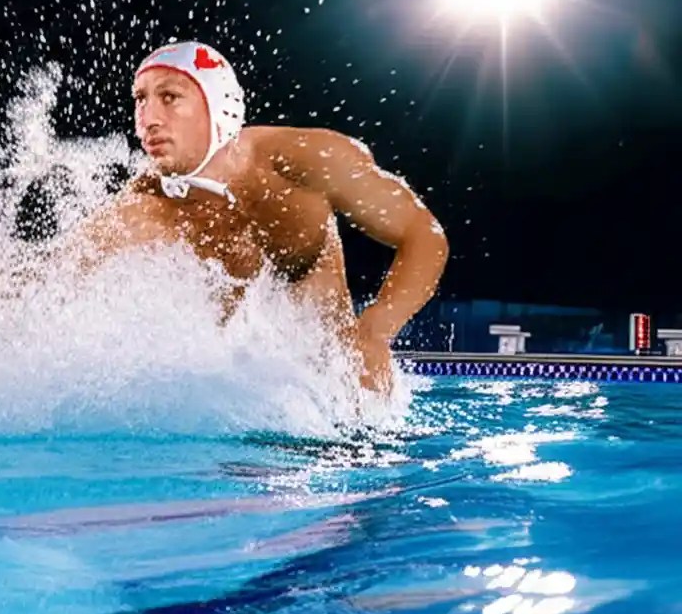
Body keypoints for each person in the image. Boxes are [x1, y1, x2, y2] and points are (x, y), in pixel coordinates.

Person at [69, 42, 449, 393]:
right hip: (241, 410)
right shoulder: (146, 201)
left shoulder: (301, 161)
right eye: (140, 99)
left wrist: (375, 329)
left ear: (218, 107)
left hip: (340, 397)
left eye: (169, 97)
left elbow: (423, 234)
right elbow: (52, 275)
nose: (148, 118)